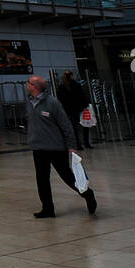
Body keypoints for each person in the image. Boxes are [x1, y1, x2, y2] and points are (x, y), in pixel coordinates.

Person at [26, 74, 96, 218]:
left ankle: (87, 194)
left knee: (67, 176)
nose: (27, 84)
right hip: (38, 148)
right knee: (42, 178)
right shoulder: (29, 102)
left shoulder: (52, 103)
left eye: (29, 83)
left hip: (56, 147)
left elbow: (66, 125)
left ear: (36, 87)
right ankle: (47, 208)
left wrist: (71, 146)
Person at [57, 70, 93, 149]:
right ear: (71, 76)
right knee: (85, 126)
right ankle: (86, 143)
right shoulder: (76, 85)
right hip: (80, 108)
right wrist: (86, 106)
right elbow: (82, 96)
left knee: (74, 128)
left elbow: (61, 99)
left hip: (70, 110)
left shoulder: (62, 87)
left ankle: (77, 144)